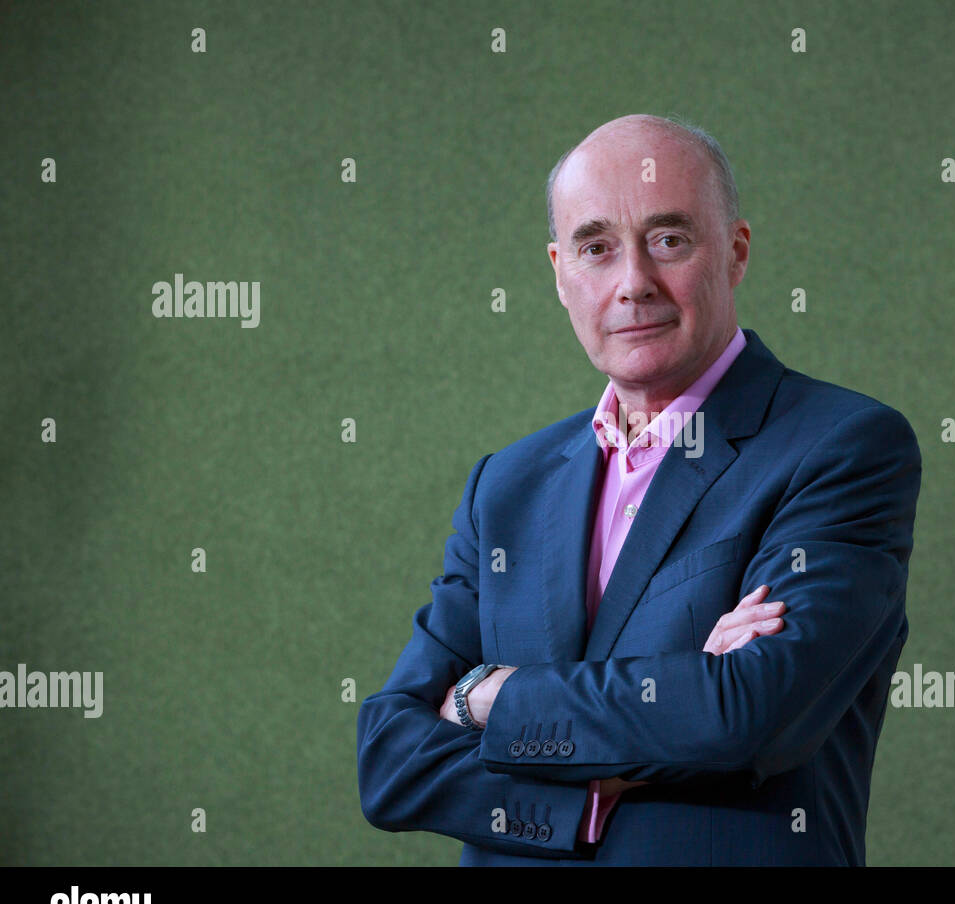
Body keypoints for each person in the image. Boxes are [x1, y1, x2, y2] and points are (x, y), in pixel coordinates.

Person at [356, 113, 922, 865]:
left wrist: (481, 696)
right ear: (560, 272)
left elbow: (746, 716)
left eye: (669, 240)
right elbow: (390, 760)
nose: (633, 284)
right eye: (596, 248)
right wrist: (593, 792)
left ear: (736, 252)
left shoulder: (842, 446)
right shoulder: (507, 486)